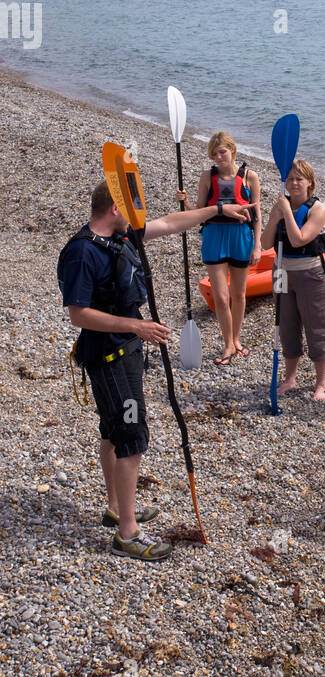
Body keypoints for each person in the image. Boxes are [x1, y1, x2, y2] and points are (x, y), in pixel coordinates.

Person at [57, 179, 251, 562]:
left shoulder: (123, 234)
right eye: (130, 207)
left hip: (126, 350)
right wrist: (136, 326)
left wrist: (216, 210)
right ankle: (128, 535)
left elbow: (171, 222)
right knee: (131, 436)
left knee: (113, 433)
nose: (137, 215)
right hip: (107, 357)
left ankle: (116, 509)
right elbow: (77, 314)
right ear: (114, 208)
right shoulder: (82, 253)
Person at [261, 158, 325, 402]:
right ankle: (290, 378)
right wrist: (274, 217)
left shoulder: (318, 210)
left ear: (309, 182)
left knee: (316, 328)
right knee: (287, 326)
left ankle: (320, 383)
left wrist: (287, 213)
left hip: (310, 275)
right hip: (281, 273)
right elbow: (265, 243)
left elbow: (300, 238)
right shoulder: (281, 205)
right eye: (290, 179)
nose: (293, 183)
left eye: (299, 179)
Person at [189, 131, 261, 365]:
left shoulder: (250, 177)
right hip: (214, 237)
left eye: (223, 152)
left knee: (239, 295)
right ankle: (228, 344)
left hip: (241, 237)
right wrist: (184, 203)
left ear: (233, 151)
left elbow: (257, 215)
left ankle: (237, 339)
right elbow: (199, 211)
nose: (219, 157)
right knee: (220, 297)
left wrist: (257, 245)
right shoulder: (206, 177)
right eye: (215, 153)